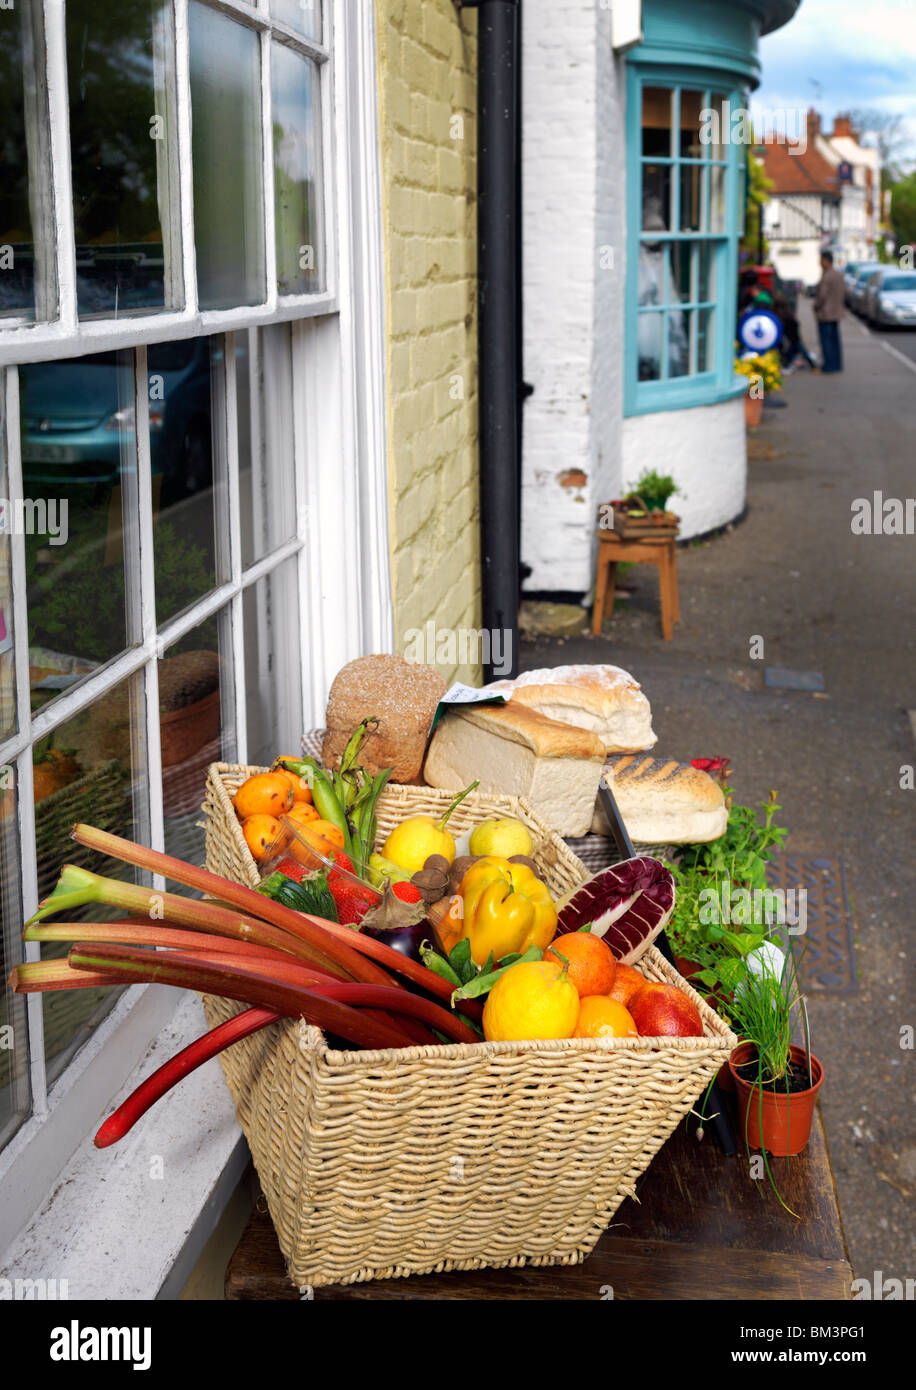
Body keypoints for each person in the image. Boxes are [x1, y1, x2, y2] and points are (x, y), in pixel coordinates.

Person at [813, 251, 845, 373]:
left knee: (826, 341)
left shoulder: (827, 276)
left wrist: (816, 306)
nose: (819, 262)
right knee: (835, 340)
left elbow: (822, 295)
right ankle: (837, 364)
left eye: (820, 260)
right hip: (836, 312)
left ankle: (828, 366)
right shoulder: (838, 275)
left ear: (826, 261)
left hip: (825, 313)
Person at [774, 293, 819, 372]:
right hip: (793, 338)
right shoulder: (788, 315)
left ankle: (787, 363)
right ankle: (812, 365)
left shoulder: (778, 316)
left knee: (796, 349)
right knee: (798, 348)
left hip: (790, 339)